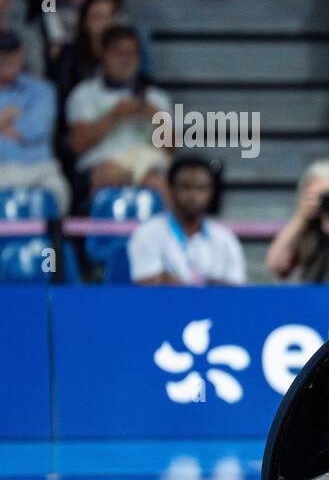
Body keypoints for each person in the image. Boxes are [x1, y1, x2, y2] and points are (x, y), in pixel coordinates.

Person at [65, 25, 170, 195]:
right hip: (100, 166)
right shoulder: (83, 94)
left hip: (148, 166)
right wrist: (114, 116)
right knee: (108, 175)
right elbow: (78, 144)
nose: (125, 60)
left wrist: (153, 115)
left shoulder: (156, 97)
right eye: (118, 53)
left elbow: (171, 148)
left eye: (131, 54)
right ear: (103, 55)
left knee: (157, 182)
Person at [128, 155, 246, 286]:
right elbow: (147, 283)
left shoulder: (225, 238)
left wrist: (171, 281)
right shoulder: (147, 232)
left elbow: (235, 290)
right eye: (185, 187)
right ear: (170, 189)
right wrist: (205, 288)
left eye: (201, 188)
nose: (193, 195)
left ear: (211, 192)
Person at [0, 29, 65, 213]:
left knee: (57, 193)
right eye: (1, 53)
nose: (6, 58)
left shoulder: (41, 90)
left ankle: (54, 241)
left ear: (21, 54)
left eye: (12, 52)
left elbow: (34, 129)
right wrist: (8, 117)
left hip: (37, 169)